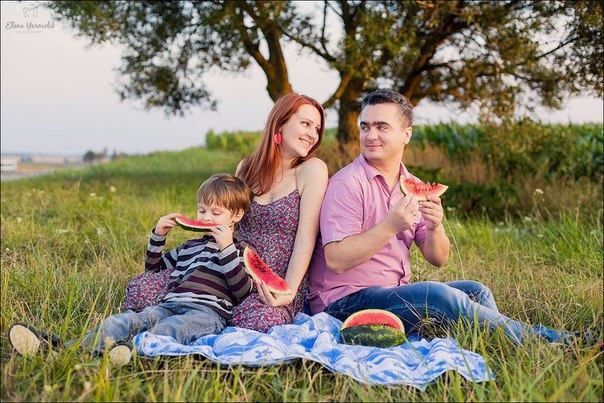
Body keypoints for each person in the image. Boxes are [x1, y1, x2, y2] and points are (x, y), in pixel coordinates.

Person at [307, 89, 597, 346]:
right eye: (365, 127)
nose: (371, 136)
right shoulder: (347, 184)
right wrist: (389, 226)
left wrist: (435, 227)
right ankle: (554, 340)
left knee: (476, 291)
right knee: (436, 296)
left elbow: (438, 258)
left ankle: (501, 345)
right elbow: (336, 259)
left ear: (406, 134)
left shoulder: (412, 184)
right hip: (344, 302)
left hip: (392, 293)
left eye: (382, 127)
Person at [8, 173, 254, 364]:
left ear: (236, 215)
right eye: (201, 210)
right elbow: (154, 268)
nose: (206, 218)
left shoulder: (241, 250)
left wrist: (226, 248)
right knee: (120, 322)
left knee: (169, 330)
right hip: (168, 305)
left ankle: (128, 354)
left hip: (207, 315)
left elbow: (242, 290)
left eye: (216, 212)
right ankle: (64, 351)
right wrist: (158, 235)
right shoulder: (189, 247)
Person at [230, 92, 329, 332]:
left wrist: (289, 292)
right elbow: (231, 227)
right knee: (148, 290)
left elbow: (305, 239)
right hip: (232, 272)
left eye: (317, 129)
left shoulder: (312, 170)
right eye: (305, 124)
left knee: (259, 321)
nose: (312, 135)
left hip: (275, 286)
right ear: (281, 123)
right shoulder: (246, 167)